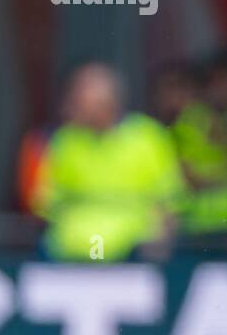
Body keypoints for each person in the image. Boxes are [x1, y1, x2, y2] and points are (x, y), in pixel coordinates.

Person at [31, 63, 184, 261]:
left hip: (131, 255)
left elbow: (170, 203)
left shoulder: (148, 137)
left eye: (81, 99)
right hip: (68, 257)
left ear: (107, 103)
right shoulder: (65, 141)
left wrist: (159, 248)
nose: (71, 106)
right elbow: (45, 204)